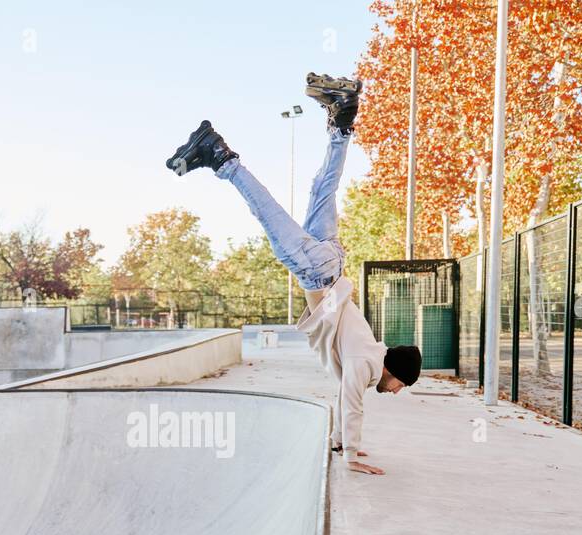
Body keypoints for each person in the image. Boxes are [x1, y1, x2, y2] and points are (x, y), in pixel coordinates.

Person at [167, 73, 421, 476]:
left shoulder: (369, 348)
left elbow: (342, 397)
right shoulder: (367, 364)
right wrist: (353, 457)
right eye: (401, 387)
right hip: (317, 274)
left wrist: (340, 444)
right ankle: (220, 156)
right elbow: (352, 403)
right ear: (396, 374)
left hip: (331, 264)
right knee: (267, 213)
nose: (396, 393)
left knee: (323, 188)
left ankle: (342, 120)